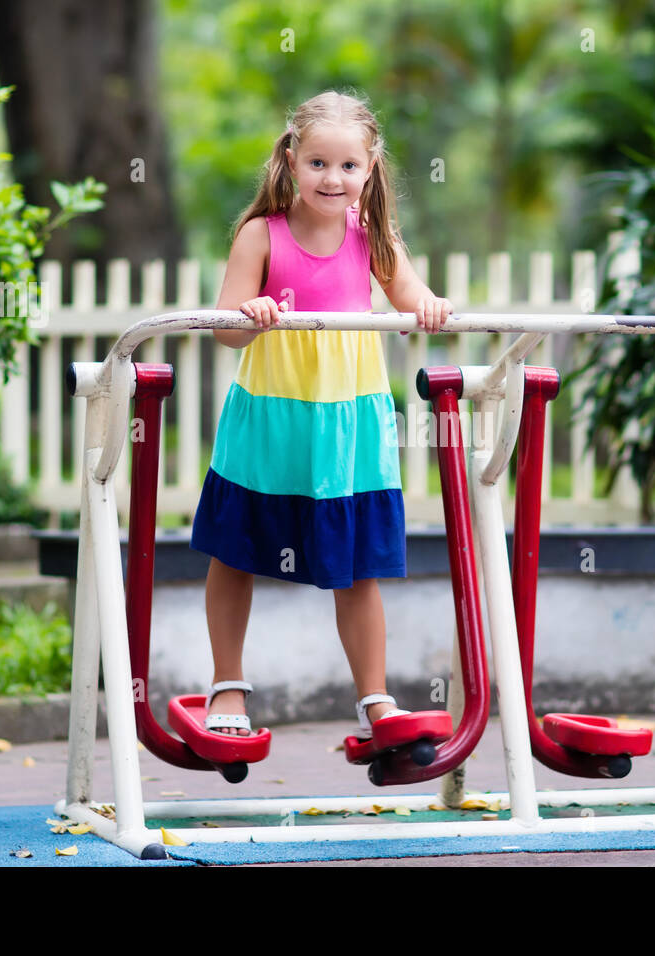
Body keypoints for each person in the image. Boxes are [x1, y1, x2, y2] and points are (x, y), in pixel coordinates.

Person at [190, 90, 452, 741]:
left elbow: (409, 290)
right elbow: (224, 328)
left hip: (347, 424)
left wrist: (427, 304)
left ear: (370, 168)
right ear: (291, 158)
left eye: (347, 166)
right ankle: (227, 684)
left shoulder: (373, 234)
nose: (332, 179)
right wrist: (247, 318)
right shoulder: (261, 235)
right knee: (234, 552)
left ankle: (375, 701)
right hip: (271, 420)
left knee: (358, 567)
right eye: (317, 163)